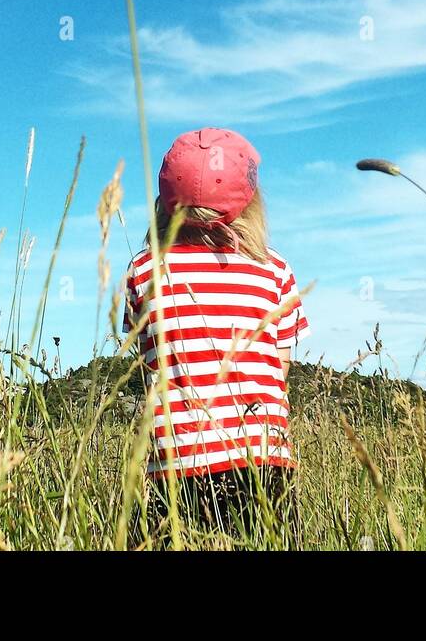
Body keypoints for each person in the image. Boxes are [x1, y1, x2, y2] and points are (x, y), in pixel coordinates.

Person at [122, 127, 309, 542]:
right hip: (263, 463)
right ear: (250, 200)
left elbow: (146, 364)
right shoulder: (275, 271)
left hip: (176, 468)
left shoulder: (143, 271)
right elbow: (279, 369)